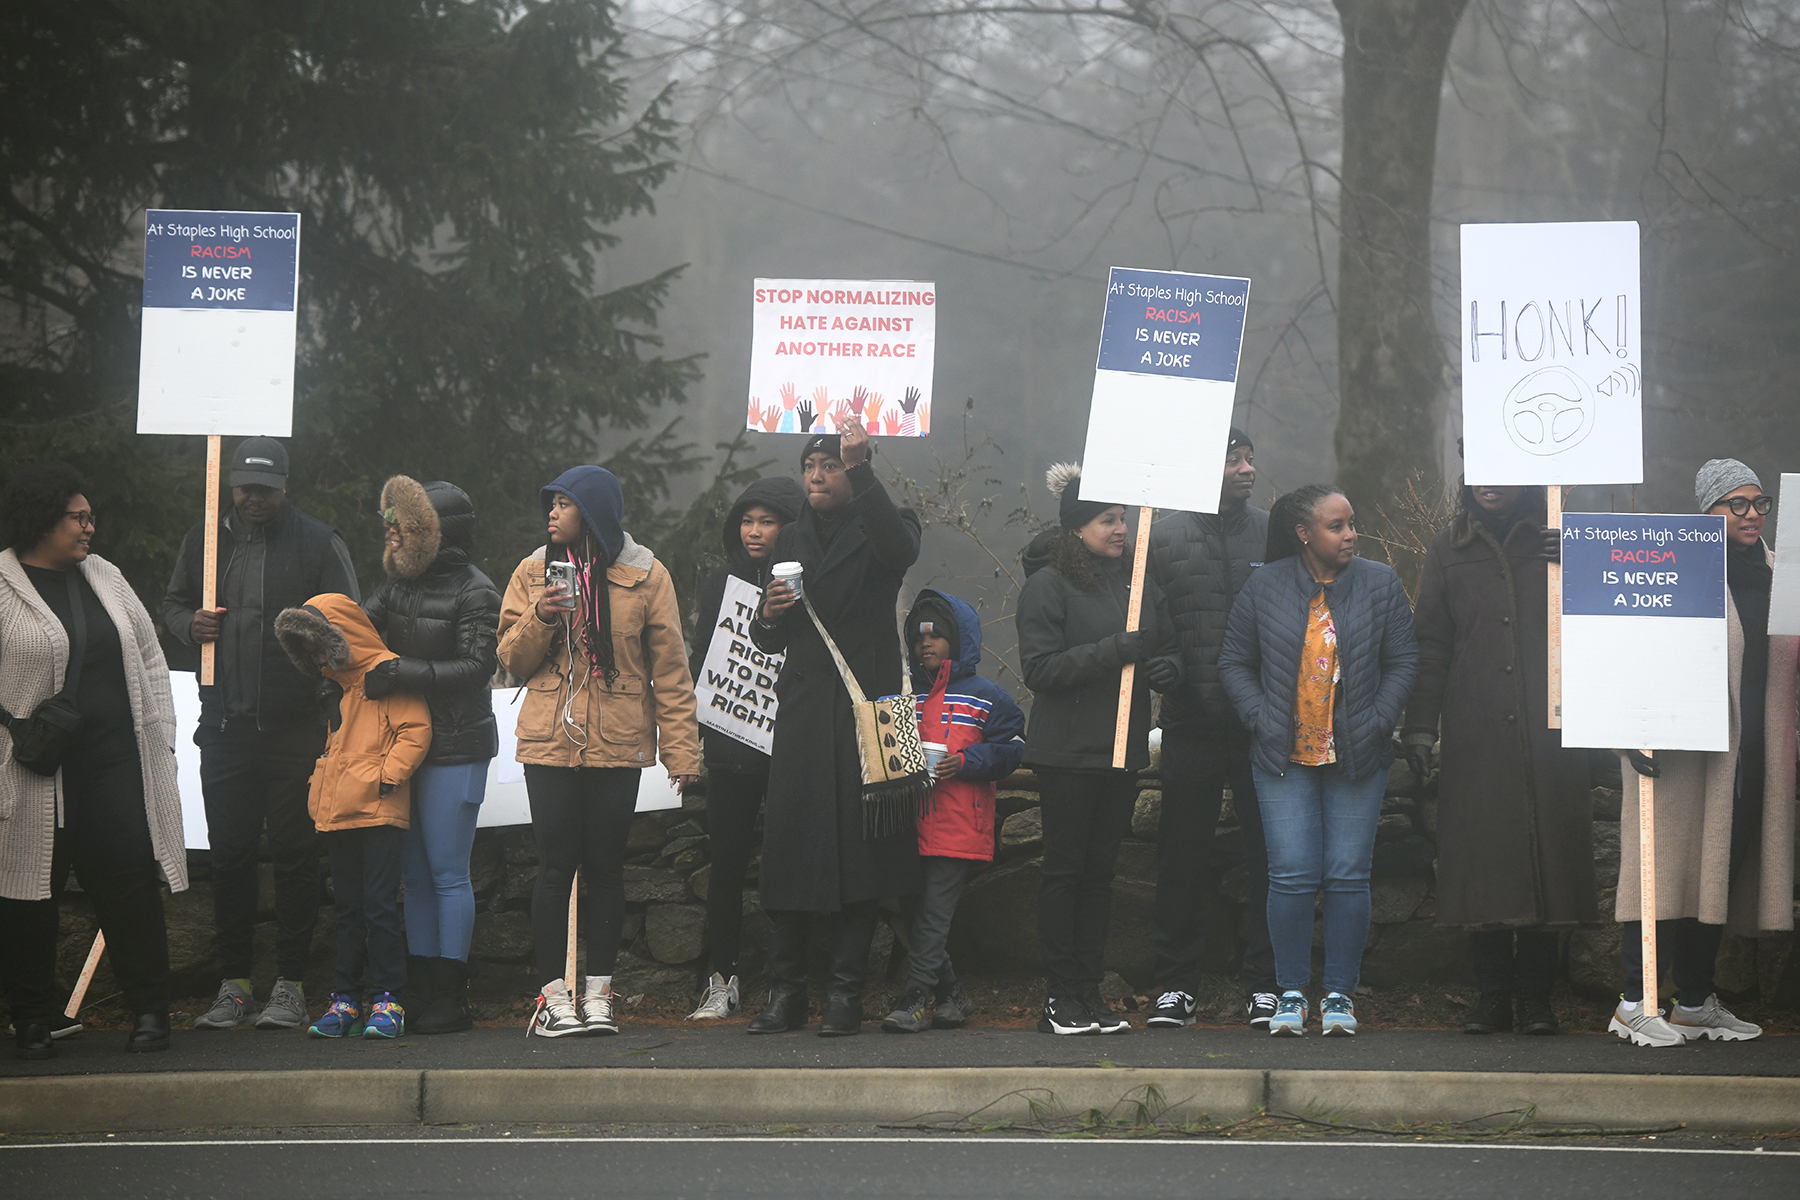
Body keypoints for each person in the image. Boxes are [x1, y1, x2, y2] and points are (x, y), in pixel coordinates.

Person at [162, 437, 360, 1031]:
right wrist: (186, 625)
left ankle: (291, 986)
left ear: (285, 487)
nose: (255, 498)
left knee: (298, 858)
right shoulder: (203, 540)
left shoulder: (320, 542)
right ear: (231, 485)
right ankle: (234, 985)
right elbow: (172, 604)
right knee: (230, 858)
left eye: (266, 489)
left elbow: (351, 622)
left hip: (296, 728)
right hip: (222, 727)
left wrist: (318, 650)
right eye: (246, 487)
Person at [497, 466, 701, 1038]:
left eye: (564, 503)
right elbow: (510, 659)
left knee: (608, 869)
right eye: (550, 503)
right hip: (549, 740)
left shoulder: (646, 573)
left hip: (616, 741)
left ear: (594, 510)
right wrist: (543, 613)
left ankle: (599, 995)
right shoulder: (532, 572)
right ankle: (553, 999)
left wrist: (682, 752)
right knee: (554, 865)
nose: (552, 513)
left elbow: (671, 669)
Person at [0, 466, 188, 1058]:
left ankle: (151, 1012)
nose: (90, 527)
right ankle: (31, 1018)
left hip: (113, 762)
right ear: (41, 522)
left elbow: (151, 656)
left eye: (90, 516)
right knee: (26, 893)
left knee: (128, 883)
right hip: (32, 770)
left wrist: (161, 733)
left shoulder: (104, 575)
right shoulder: (3, 586)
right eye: (77, 517)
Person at [1218, 484, 1418, 1037]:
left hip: (1358, 752)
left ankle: (1339, 995)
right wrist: (1260, 716)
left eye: (1352, 523)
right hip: (1283, 755)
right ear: (1304, 533)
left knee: (1348, 876)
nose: (1351, 534)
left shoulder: (1379, 582)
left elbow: (1403, 661)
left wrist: (1378, 720)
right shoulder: (1266, 584)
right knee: (1290, 876)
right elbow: (1234, 661)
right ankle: (1288, 993)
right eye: (1337, 526)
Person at [1609, 460, 1795, 1047]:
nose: (1751, 514)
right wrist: (1627, 732)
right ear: (1709, 511)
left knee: (1716, 876)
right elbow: (1627, 648)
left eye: (1759, 502)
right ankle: (1634, 1002)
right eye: (1736, 503)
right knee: (1662, 874)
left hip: (1753, 756)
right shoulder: (1677, 567)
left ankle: (1693, 1001)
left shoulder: (1780, 574)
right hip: (1679, 753)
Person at [747, 421, 923, 1037]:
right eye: (810, 465)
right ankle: (786, 992)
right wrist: (767, 617)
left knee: (864, 855)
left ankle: (846, 994)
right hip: (802, 712)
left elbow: (900, 553)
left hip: (867, 712)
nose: (818, 475)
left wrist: (864, 464)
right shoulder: (789, 536)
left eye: (831, 465)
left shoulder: (889, 520)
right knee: (792, 851)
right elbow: (767, 635)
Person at [1403, 482, 1594, 1036]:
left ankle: (1536, 998)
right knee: (1481, 861)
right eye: (1477, 469)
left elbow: (1609, 615)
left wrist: (1579, 562)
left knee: (1548, 861)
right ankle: (1491, 996)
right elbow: (1432, 641)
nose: (1489, 483)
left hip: (1552, 729)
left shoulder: (1564, 538)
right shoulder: (1447, 548)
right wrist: (1419, 726)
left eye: (1502, 468)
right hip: (1475, 727)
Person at [1017, 463, 1181, 1035]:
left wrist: (1166, 664)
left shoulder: (1135, 583)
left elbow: (1162, 642)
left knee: (1100, 876)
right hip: (1067, 753)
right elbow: (1040, 669)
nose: (1121, 529)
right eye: (1109, 519)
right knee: (1066, 872)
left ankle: (1089, 994)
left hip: (1121, 749)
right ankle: (1059, 998)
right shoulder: (1046, 585)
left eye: (1123, 519)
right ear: (1077, 527)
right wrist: (1118, 649)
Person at [1144, 426, 1277, 1029]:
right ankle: (1174, 985)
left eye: (1250, 459)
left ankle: (1268, 983)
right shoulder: (1162, 535)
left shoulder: (1272, 531)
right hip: (1190, 721)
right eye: (1233, 460)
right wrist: (1161, 664)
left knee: (1270, 859)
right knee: (1181, 858)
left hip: (1261, 724)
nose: (1248, 469)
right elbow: (1147, 615)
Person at [361, 476, 501, 1035]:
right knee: (414, 876)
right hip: (405, 745)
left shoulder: (476, 590)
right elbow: (358, 628)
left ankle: (452, 994)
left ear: (437, 534)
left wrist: (401, 672)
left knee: (446, 872)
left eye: (407, 528)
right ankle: (421, 988)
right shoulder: (398, 585)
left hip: (456, 746)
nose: (394, 538)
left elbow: (476, 668)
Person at [274, 594, 432, 1039]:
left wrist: (386, 779)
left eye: (321, 646)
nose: (318, 658)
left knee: (378, 906)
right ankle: (345, 999)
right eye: (310, 651)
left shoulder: (387, 673)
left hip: (377, 811)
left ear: (343, 637)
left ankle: (387, 998)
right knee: (348, 909)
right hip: (340, 810)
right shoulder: (338, 686)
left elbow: (415, 731)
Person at [683, 476, 806, 1021]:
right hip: (731, 742)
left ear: (790, 527)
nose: (754, 532)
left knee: (789, 863)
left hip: (790, 745)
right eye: (747, 521)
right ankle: (721, 977)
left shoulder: (810, 582)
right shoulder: (721, 581)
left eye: (768, 522)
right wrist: (690, 736)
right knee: (727, 864)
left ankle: (791, 982)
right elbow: (703, 657)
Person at [881, 588, 1026, 1033]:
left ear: (960, 640)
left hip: (958, 825)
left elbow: (1013, 749)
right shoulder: (901, 695)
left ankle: (914, 1000)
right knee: (915, 915)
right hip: (907, 824)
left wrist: (965, 762)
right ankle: (951, 996)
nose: (926, 643)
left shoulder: (988, 697)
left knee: (934, 916)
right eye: (919, 637)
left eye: (938, 636)